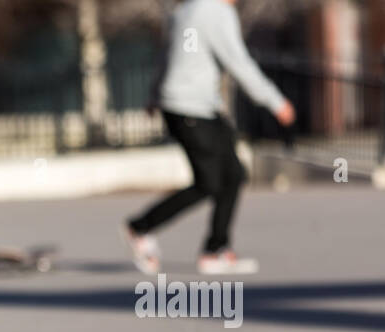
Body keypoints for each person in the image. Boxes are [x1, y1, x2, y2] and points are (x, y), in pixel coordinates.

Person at [123, 0, 295, 276]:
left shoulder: (184, 10)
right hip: (192, 108)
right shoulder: (216, 12)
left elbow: (166, 56)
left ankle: (215, 248)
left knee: (232, 175)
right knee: (211, 182)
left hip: (192, 108)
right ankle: (144, 227)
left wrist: (154, 95)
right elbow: (238, 62)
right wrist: (275, 102)